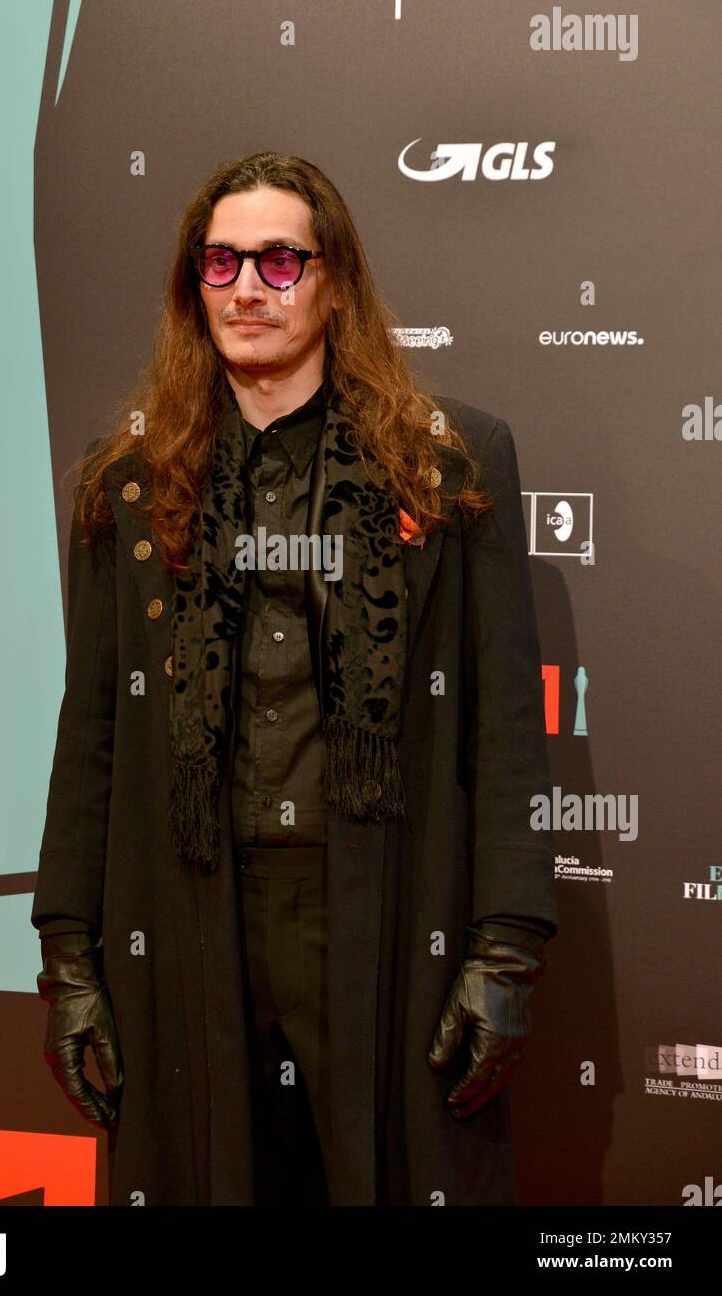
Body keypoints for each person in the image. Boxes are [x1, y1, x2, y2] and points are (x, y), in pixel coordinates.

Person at [31, 151, 557, 1206]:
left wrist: (505, 946)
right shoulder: (129, 479)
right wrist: (68, 954)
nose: (246, 289)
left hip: (385, 904)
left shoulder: (449, 463)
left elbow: (503, 725)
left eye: (279, 262)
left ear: (333, 281)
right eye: (220, 263)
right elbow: (92, 729)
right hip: (188, 913)